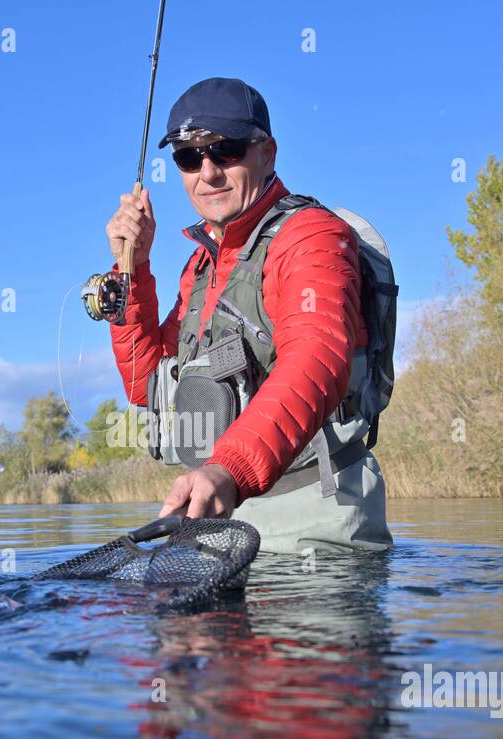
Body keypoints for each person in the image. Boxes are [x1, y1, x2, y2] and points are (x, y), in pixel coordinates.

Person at [103, 77, 393, 554]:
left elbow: (315, 361)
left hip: (313, 522)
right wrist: (131, 268)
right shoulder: (200, 267)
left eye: (227, 149)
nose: (208, 172)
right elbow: (144, 382)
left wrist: (229, 468)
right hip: (221, 519)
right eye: (188, 157)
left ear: (268, 152)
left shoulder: (312, 238)